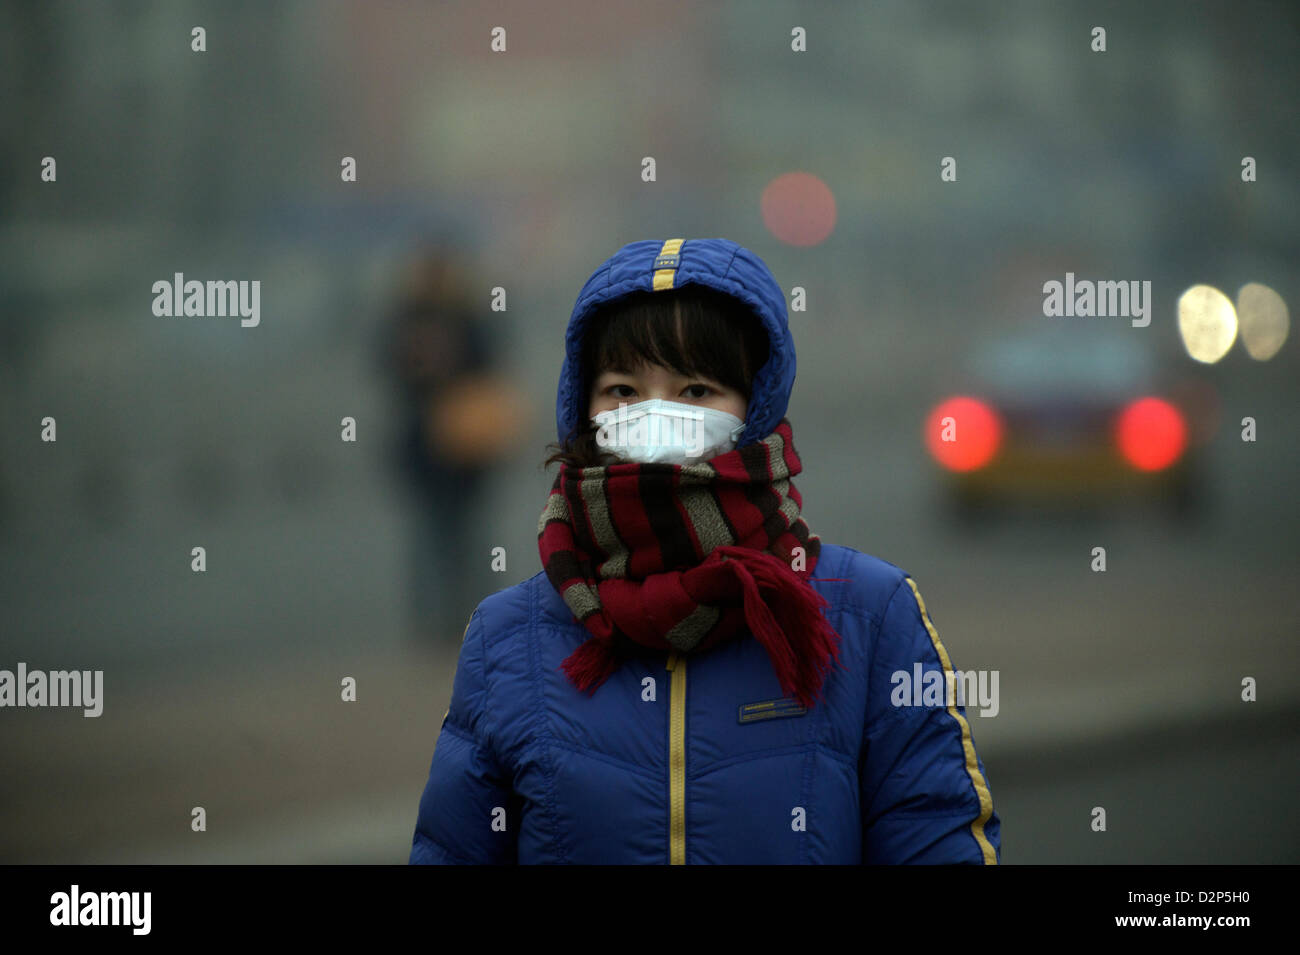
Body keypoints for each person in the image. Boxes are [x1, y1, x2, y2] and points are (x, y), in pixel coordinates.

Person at [409, 237, 1001, 864]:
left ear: (758, 406)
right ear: (580, 408)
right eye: (622, 390)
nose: (655, 414)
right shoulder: (507, 641)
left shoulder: (870, 617)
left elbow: (936, 841)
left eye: (695, 390)